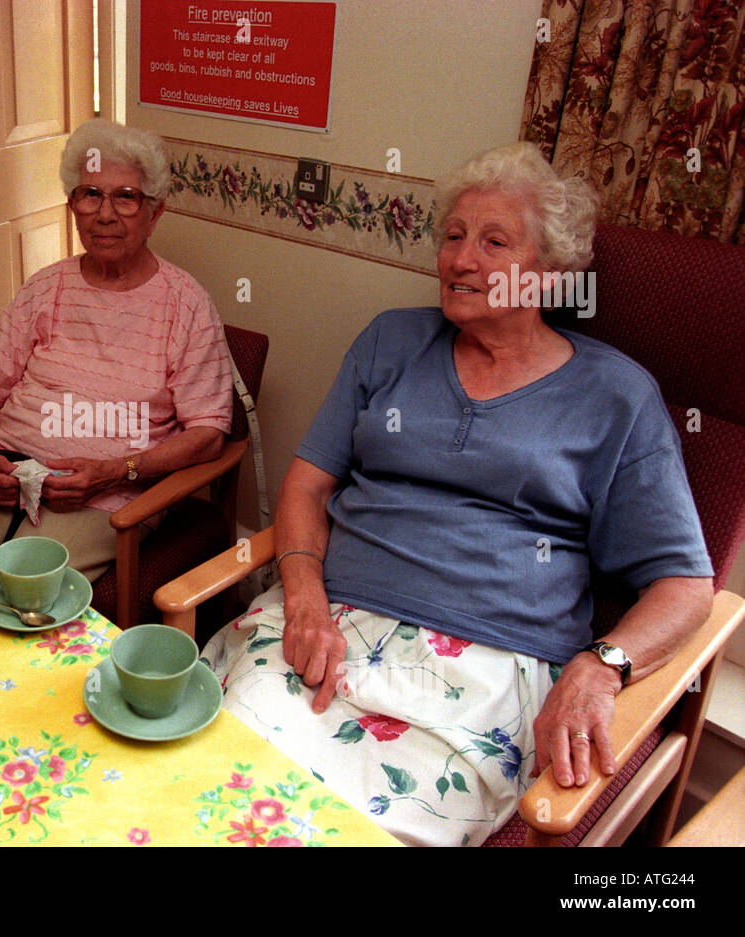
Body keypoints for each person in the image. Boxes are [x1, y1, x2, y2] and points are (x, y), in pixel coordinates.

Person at [203, 142, 714, 846]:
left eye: (493, 242)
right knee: (208, 788)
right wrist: (305, 598)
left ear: (551, 273)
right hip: (326, 629)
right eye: (452, 236)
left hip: (484, 667)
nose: (460, 259)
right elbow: (307, 484)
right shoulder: (391, 340)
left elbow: (686, 583)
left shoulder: (616, 397)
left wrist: (602, 667)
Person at [0, 119, 233, 633]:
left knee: (29, 609)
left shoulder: (186, 306)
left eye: (126, 198)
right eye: (90, 194)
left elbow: (208, 434)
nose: (106, 214)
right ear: (73, 204)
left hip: (103, 500)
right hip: (0, 477)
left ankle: (9, 708)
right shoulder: (44, 288)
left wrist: (118, 471)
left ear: (155, 212)